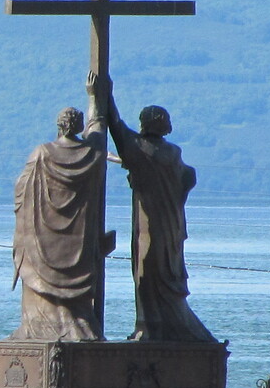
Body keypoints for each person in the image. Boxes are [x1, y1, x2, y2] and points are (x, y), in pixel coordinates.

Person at [92, 73, 216, 344]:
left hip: (150, 225)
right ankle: (152, 326)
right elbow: (188, 178)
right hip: (173, 225)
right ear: (162, 125)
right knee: (160, 270)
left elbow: (115, 125)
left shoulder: (139, 149)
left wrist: (103, 96)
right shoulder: (173, 154)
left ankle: (148, 326)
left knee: (145, 272)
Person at [10, 103, 112, 340]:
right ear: (77, 126)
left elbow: (20, 189)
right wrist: (94, 98)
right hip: (79, 243)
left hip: (42, 241)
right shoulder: (91, 154)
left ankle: (42, 327)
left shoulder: (42, 154)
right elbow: (97, 128)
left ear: (59, 126)